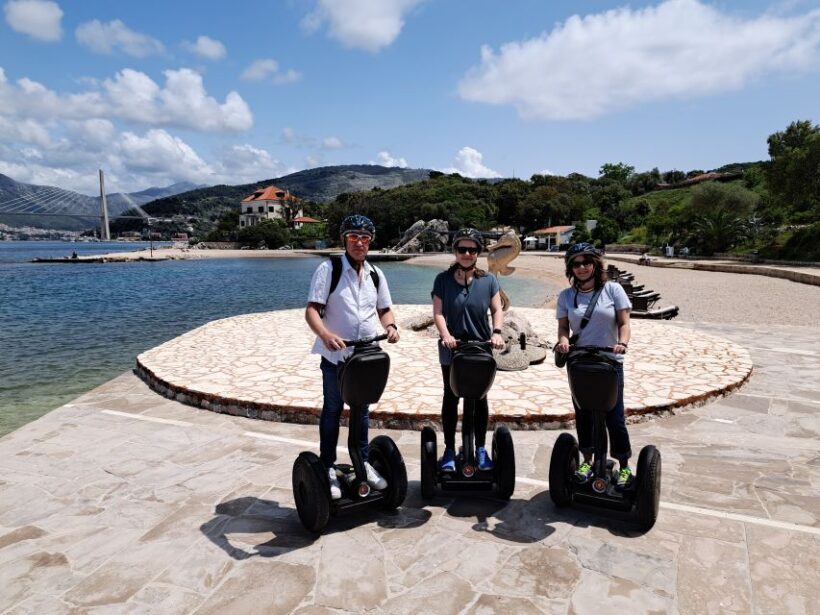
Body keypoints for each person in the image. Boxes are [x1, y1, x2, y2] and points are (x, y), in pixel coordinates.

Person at [305, 214, 400, 500]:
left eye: (365, 238)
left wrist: (391, 327)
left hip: (366, 356)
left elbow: (384, 309)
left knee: (362, 411)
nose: (360, 242)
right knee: (333, 409)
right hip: (336, 356)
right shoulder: (329, 269)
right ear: (344, 239)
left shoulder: (375, 273)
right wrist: (325, 335)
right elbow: (312, 310)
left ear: (370, 242)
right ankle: (328, 466)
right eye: (354, 237)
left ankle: (363, 462)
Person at [554, 242, 634, 488]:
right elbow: (563, 327)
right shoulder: (567, 296)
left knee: (615, 417)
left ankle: (624, 465)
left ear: (595, 264)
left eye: (586, 262)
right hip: (580, 363)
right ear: (570, 268)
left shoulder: (613, 290)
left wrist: (622, 343)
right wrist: (563, 342)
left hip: (609, 362)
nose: (582, 267)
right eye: (576, 264)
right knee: (584, 414)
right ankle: (587, 460)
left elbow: (624, 323)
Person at [431, 228, 505, 472]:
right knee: (451, 398)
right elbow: (439, 313)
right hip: (452, 349)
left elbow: (497, 310)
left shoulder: (489, 280)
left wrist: (496, 333)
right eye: (461, 249)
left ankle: (481, 448)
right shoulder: (442, 280)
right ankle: (450, 449)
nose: (466, 253)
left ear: (477, 253)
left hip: (481, 348)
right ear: (455, 251)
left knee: (480, 398)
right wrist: (446, 336)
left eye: (471, 249)